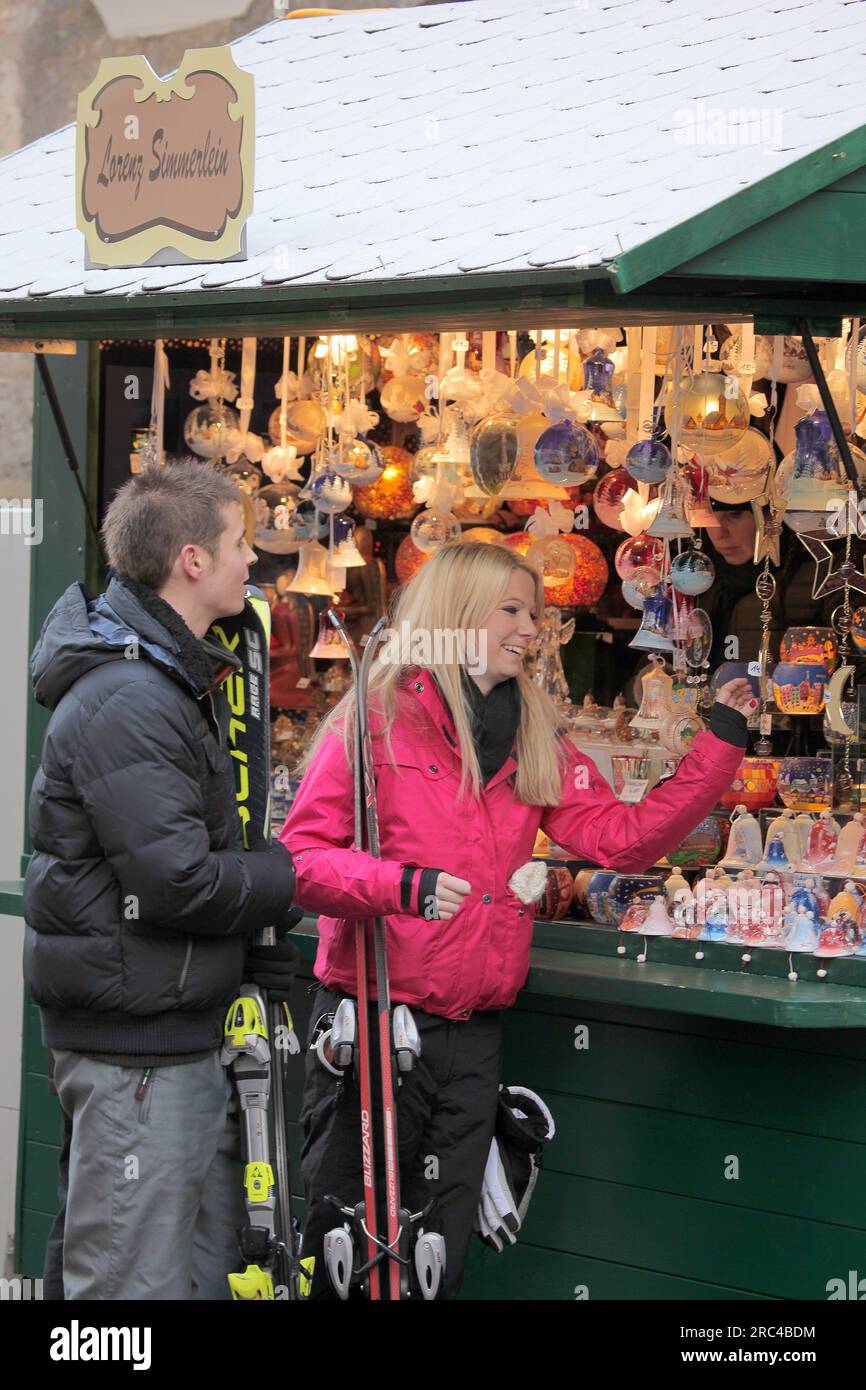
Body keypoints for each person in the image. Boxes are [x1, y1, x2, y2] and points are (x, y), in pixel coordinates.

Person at [280, 540, 753, 1299]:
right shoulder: (375, 714)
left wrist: (720, 745)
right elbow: (299, 859)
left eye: (534, 612)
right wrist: (403, 885)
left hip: (472, 1037)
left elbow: (622, 838)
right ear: (458, 614)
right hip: (370, 1026)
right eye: (512, 610)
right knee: (348, 1254)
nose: (530, 627)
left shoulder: (535, 728)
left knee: (436, 1264)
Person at [24, 461, 301, 1300]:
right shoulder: (130, 697)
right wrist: (284, 876)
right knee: (127, 1292)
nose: (251, 561)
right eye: (238, 544)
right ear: (190, 560)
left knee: (183, 1278)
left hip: (167, 1033)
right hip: (134, 1050)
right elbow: (176, 880)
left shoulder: (164, 679)